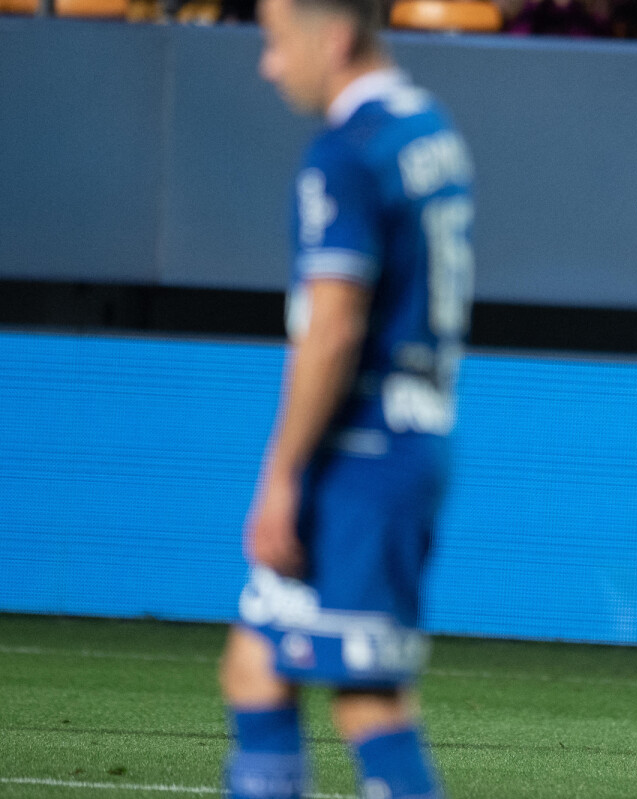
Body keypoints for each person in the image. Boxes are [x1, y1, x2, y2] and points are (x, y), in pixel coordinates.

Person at [218, 0, 474, 795]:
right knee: (256, 669)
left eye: (273, 42)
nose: (268, 64)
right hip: (410, 433)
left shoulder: (346, 153)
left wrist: (283, 474)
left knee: (369, 700)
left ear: (330, 38)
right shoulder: (427, 129)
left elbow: (331, 326)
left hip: (362, 452)